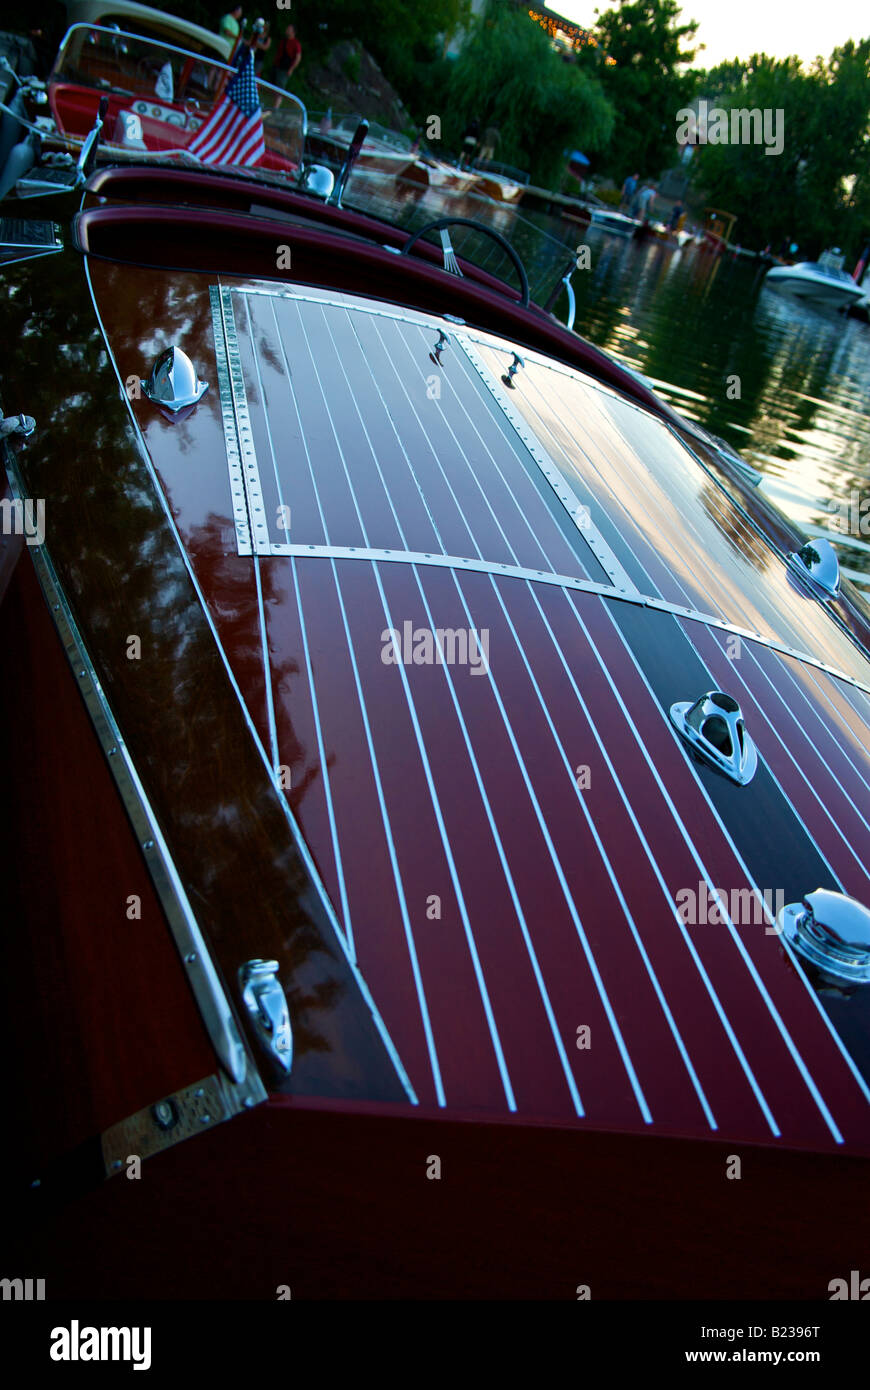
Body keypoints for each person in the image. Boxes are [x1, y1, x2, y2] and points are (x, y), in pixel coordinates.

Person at [272, 22, 302, 106]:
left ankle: (276, 107)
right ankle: (273, 105)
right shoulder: (283, 41)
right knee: (274, 86)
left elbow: (298, 57)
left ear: (293, 32)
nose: (287, 30)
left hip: (285, 69)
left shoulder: (296, 44)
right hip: (277, 66)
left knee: (280, 88)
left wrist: (291, 69)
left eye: (289, 29)